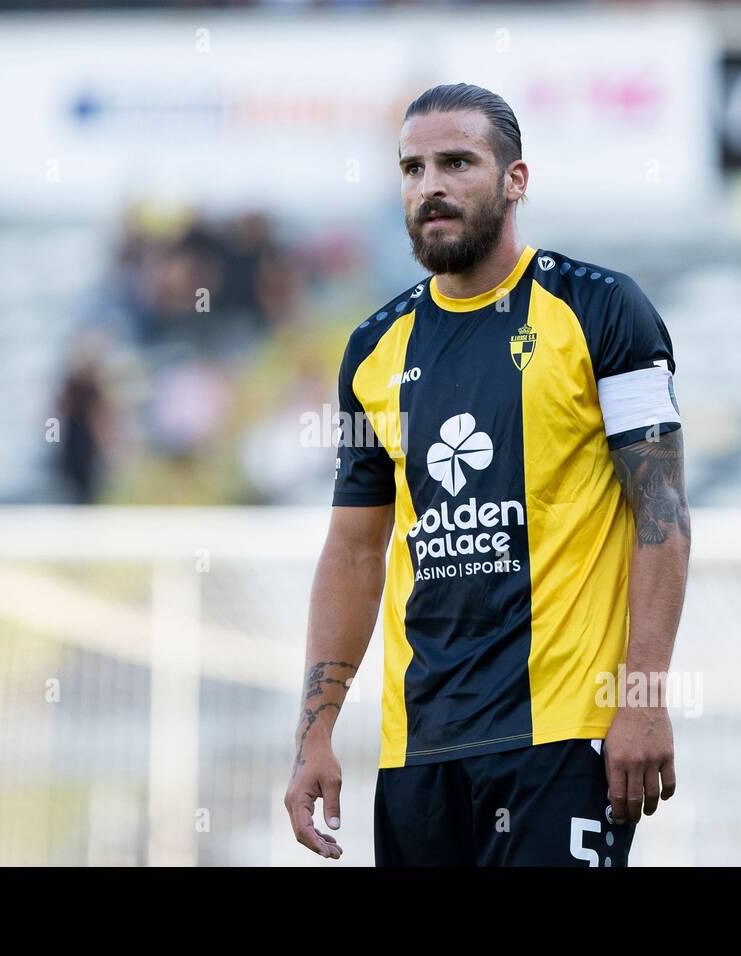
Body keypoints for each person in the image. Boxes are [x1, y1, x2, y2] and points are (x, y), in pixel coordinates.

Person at [283, 83, 690, 866]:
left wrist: (643, 699)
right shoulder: (371, 350)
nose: (430, 186)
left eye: (457, 163)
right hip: (418, 750)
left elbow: (662, 513)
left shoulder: (603, 310)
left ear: (515, 180)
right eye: (412, 169)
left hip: (563, 736)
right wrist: (314, 735)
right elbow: (354, 551)